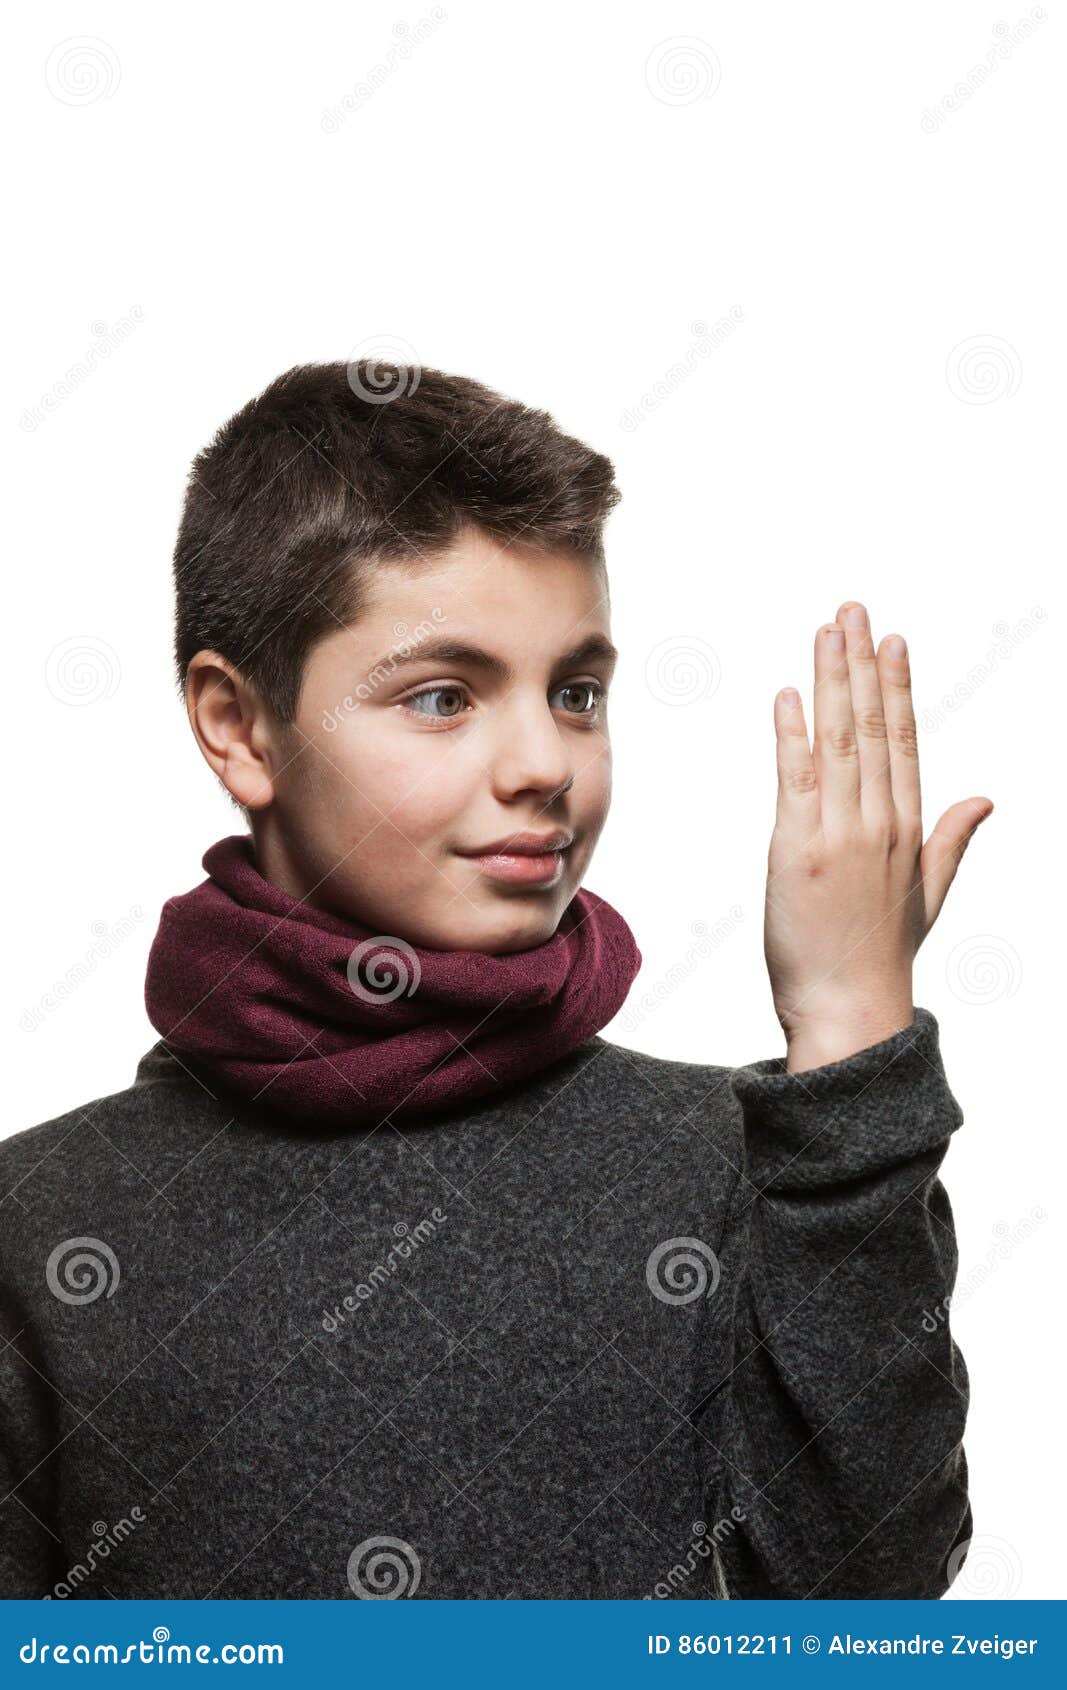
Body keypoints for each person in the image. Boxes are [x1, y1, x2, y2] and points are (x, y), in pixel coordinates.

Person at [0, 361, 990, 1600]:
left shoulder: (752, 1160)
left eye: (576, 691)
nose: (543, 763)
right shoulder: (38, 1223)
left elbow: (867, 1603)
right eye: (441, 696)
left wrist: (847, 1032)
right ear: (239, 727)